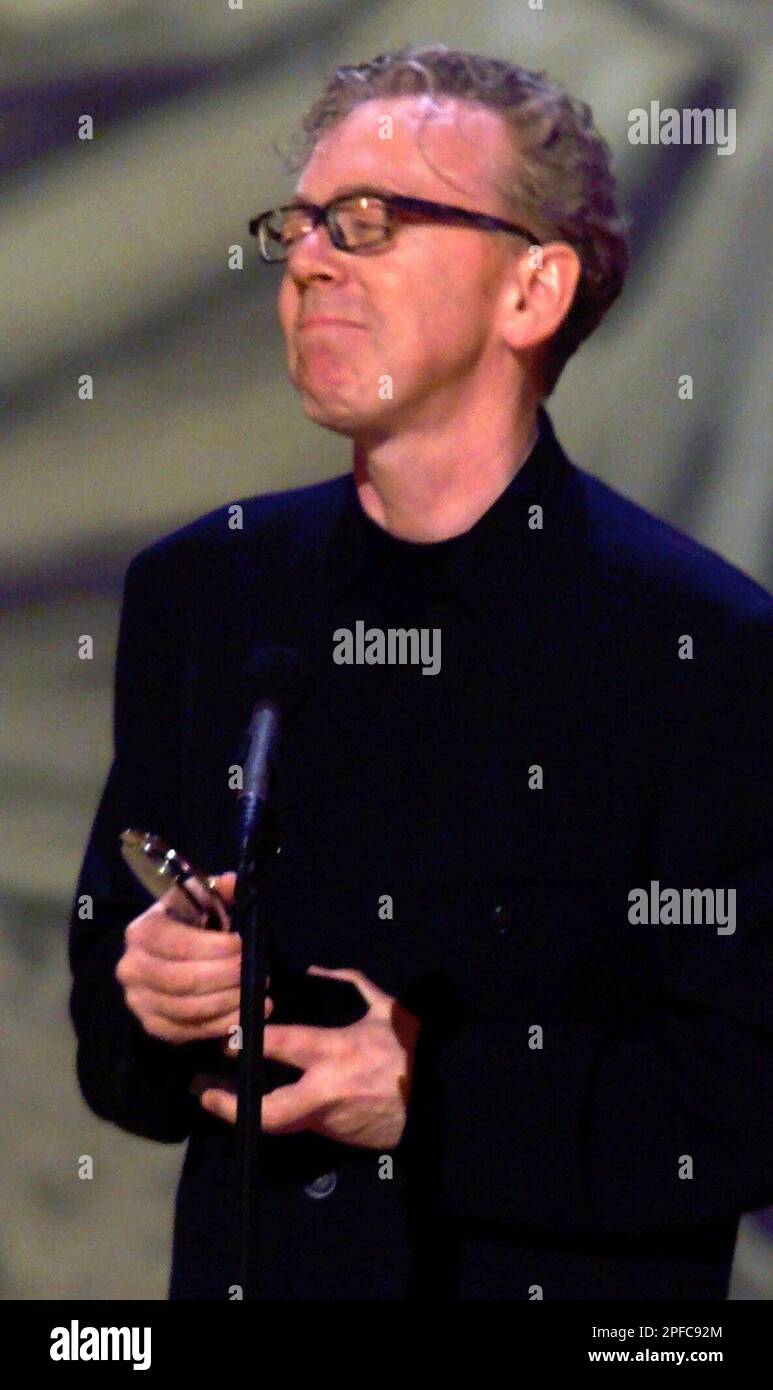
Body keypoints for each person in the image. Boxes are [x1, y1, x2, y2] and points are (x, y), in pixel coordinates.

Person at [68, 44, 773, 1301]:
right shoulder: (207, 595)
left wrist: (431, 1099)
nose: (307, 258)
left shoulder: (701, 648)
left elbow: (739, 1100)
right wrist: (153, 994)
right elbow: (115, 1061)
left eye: (371, 222)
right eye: (299, 224)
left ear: (532, 290)